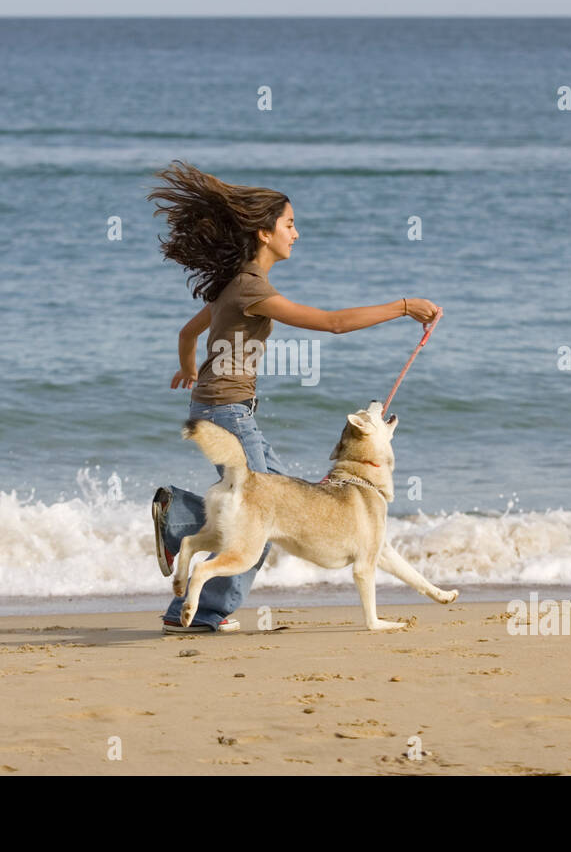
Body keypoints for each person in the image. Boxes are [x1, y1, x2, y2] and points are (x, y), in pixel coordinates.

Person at [146, 160, 439, 633]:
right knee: (262, 518)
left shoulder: (234, 283)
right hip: (227, 414)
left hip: (217, 408)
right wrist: (403, 306)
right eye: (289, 224)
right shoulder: (250, 290)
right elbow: (333, 323)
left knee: (288, 500)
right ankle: (185, 548)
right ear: (264, 234)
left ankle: (186, 549)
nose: (296, 233)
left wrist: (189, 370)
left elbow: (187, 334)